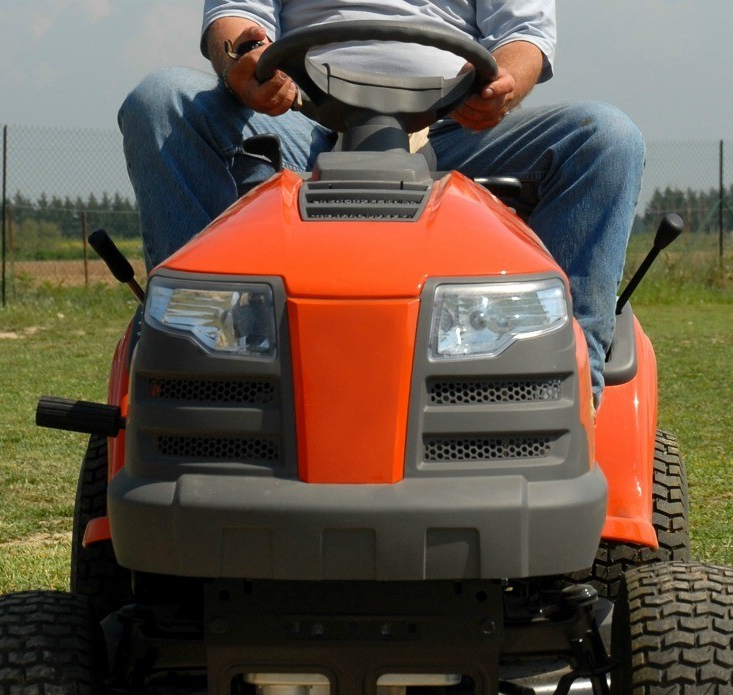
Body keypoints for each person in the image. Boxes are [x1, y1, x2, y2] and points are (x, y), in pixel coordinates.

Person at [118, 1, 644, 402]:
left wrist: (502, 83)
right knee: (159, 100)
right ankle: (189, 368)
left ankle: (565, 389)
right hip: (301, 118)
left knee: (608, 138)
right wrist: (245, 58)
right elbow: (236, 17)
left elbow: (523, 36)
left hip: (448, 127)